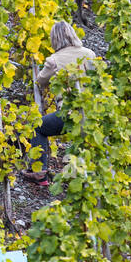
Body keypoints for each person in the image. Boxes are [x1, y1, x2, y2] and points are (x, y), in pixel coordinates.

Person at [22, 21, 97, 186]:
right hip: (92, 113)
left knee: (38, 127)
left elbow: (40, 80)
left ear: (54, 39)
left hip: (69, 114)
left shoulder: (54, 60)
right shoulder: (89, 54)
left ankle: (39, 172)